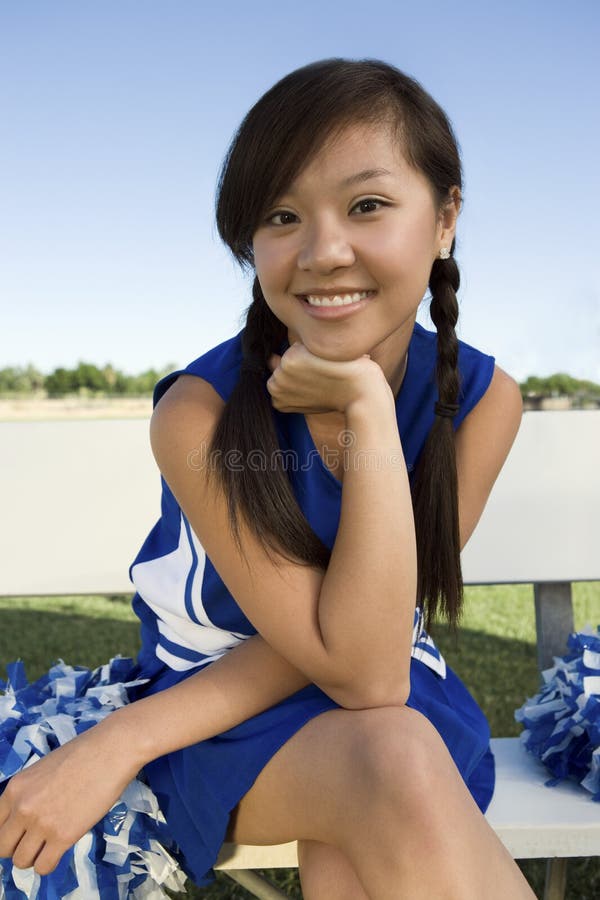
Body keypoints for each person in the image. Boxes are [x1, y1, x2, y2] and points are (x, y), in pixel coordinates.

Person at [0, 58, 537, 899]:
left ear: (446, 218)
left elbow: (366, 660)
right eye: (283, 216)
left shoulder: (484, 399)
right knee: (390, 759)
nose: (324, 252)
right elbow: (348, 663)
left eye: (367, 205)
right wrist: (125, 739)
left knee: (375, 794)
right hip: (207, 708)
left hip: (387, 692)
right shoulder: (200, 416)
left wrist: (364, 405)